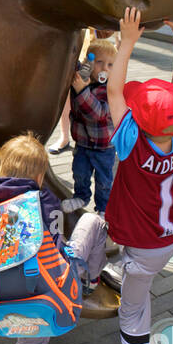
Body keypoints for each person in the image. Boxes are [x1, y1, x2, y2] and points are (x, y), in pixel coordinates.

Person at [0, 132, 108, 344]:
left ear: (3, 168)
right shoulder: (46, 202)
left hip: (5, 287)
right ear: (40, 178)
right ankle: (92, 280)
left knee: (30, 290)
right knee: (93, 222)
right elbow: (55, 245)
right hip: (49, 281)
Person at [102, 6, 173, 344]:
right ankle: (128, 272)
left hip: (145, 247)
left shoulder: (132, 142)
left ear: (138, 120)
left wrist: (128, 43)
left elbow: (113, 90)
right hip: (171, 237)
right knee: (139, 282)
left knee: (134, 309)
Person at [60, 39, 116, 214]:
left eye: (110, 64)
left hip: (104, 146)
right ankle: (81, 197)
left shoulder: (110, 89)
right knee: (80, 173)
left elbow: (98, 114)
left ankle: (103, 208)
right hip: (83, 143)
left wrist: (82, 91)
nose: (105, 68)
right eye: (99, 62)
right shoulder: (83, 79)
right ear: (90, 63)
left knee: (104, 180)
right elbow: (72, 66)